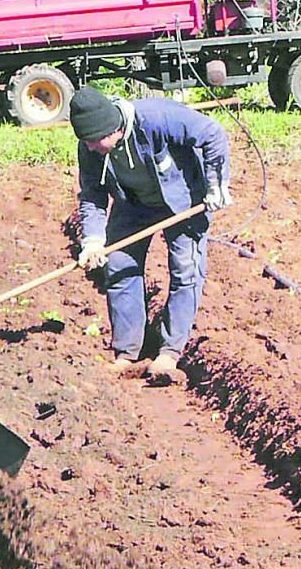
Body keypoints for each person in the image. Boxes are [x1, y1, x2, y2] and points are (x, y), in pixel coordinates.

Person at [69, 86, 232, 383]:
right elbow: (92, 194)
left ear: (114, 129)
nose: (90, 147)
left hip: (183, 201)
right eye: (86, 141)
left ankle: (169, 353)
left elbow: (211, 133)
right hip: (132, 204)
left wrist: (216, 185)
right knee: (118, 266)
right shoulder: (90, 146)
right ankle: (127, 353)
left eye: (94, 140)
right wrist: (92, 239)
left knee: (185, 270)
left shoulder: (158, 117)